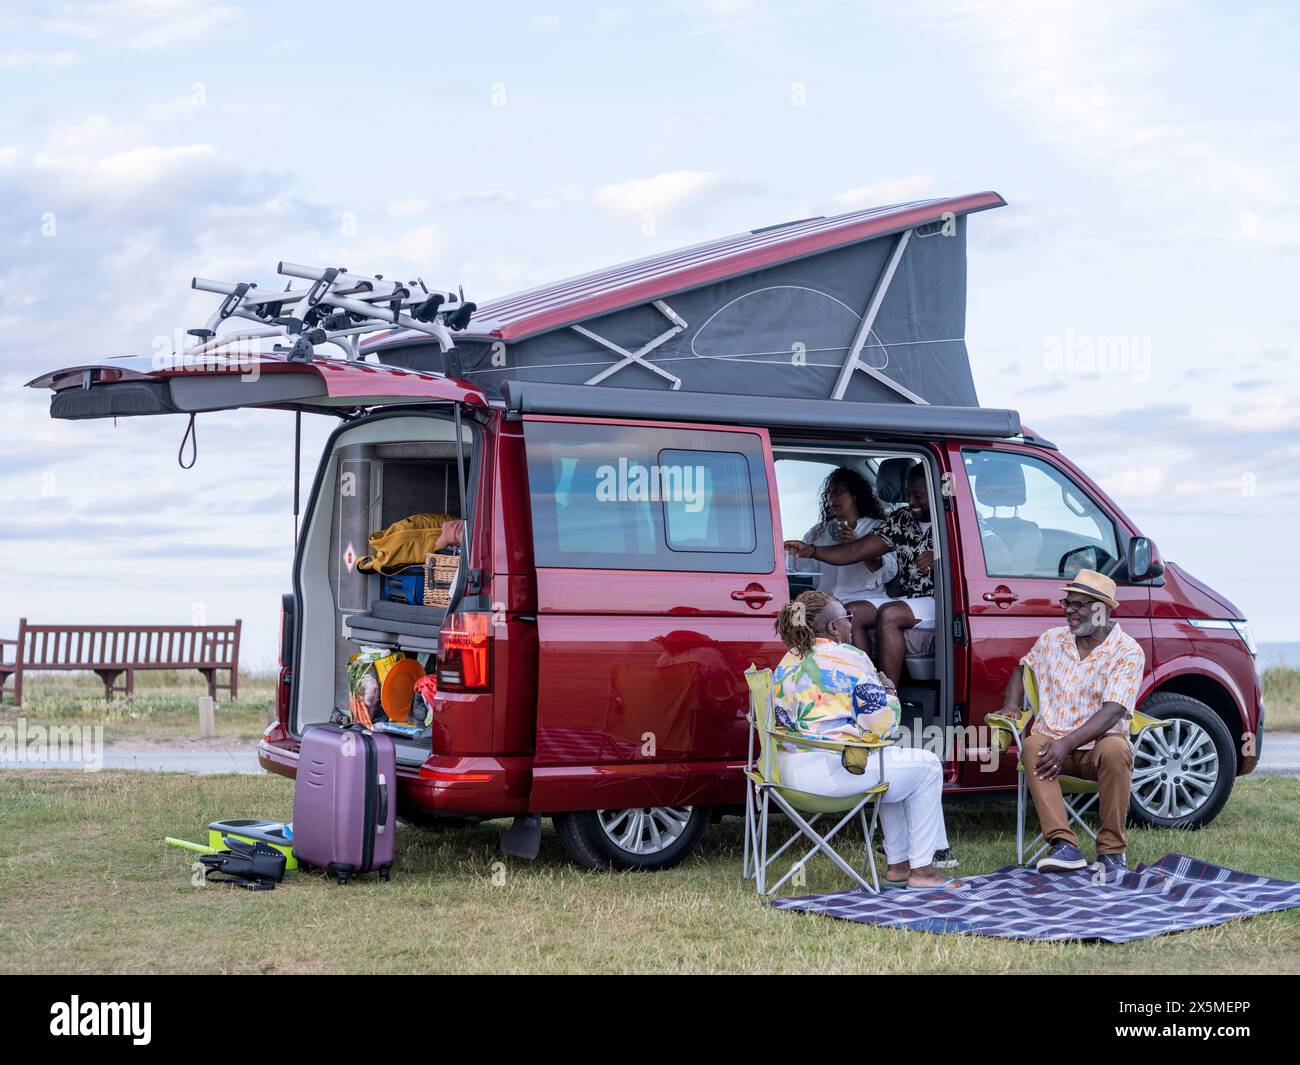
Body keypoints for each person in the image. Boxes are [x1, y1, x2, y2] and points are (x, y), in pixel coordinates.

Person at [771, 590, 961, 890]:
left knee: (892, 767)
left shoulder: (787, 661)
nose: (851, 625)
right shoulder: (852, 658)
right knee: (927, 766)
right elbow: (882, 728)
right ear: (834, 628)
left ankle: (899, 866)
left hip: (785, 775)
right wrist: (889, 694)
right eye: (848, 618)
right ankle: (923, 871)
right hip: (833, 775)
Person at [996, 569, 1144, 874]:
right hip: (1052, 749)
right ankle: (1064, 846)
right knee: (1033, 744)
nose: (1068, 611)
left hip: (1097, 750)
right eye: (1067, 604)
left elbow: (1114, 709)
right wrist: (1011, 704)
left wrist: (1067, 743)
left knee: (1117, 750)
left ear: (1100, 609)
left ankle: (1112, 852)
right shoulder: (1052, 640)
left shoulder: (1127, 651)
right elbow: (1024, 668)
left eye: (1077, 605)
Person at [784, 463, 935, 686]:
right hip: (911, 598)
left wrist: (940, 555)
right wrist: (812, 551)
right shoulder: (901, 519)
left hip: (941, 601)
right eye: (908, 495)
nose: (911, 501)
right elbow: (856, 551)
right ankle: (864, 684)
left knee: (889, 612)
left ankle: (887, 693)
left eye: (917, 495)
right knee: (851, 613)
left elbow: (989, 554)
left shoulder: (954, 519)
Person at [790, 467, 898, 652]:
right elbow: (801, 568)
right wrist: (791, 552)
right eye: (829, 492)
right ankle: (803, 671)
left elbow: (888, 571)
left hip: (868, 600)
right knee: (795, 611)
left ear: (854, 495)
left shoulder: (878, 528)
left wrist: (859, 546)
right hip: (828, 602)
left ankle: (861, 674)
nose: (832, 497)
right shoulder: (818, 532)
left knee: (847, 614)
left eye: (838, 491)